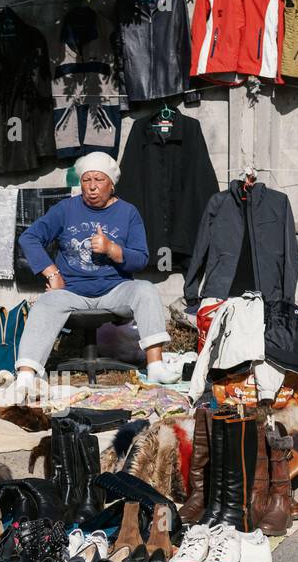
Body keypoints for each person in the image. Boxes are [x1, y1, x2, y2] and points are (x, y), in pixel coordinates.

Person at [14, 151, 178, 398]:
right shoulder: (66, 209)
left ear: (111, 184)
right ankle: (26, 376)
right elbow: (29, 237)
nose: (91, 187)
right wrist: (52, 273)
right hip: (71, 291)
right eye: (86, 180)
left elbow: (141, 258)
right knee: (46, 302)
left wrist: (112, 249)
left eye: (98, 180)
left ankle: (155, 366)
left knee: (145, 290)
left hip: (115, 290)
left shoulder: (128, 212)